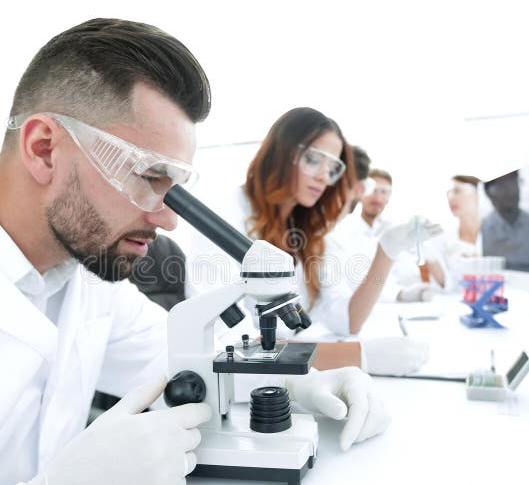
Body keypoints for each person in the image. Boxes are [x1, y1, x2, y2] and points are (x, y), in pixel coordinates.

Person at [0, 19, 391, 485]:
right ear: (45, 148)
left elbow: (186, 359)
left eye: (176, 186)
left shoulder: (83, 274)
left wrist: (302, 384)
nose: (168, 215)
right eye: (148, 176)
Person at [188, 109, 440, 376]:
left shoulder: (306, 231)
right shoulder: (222, 216)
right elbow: (228, 345)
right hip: (247, 392)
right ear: (281, 152)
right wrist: (356, 356)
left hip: (297, 376)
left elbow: (347, 320)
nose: (323, 176)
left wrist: (386, 253)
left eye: (332, 169)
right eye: (313, 160)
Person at [327, 164, 436, 304]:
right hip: (360, 309)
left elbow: (406, 272)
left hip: (397, 308)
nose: (377, 198)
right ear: (361, 192)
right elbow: (352, 278)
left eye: (384, 192)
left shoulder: (394, 229)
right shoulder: (343, 231)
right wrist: (399, 294)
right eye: (373, 191)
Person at [482, 170, 529, 274]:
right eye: (503, 186)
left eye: (513, 182)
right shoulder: (480, 232)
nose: (511, 191)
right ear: (489, 193)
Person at [427, 175, 483, 290]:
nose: (451, 198)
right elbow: (446, 284)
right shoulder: (441, 239)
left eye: (457, 191)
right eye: (449, 193)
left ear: (478, 195)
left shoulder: (497, 234)